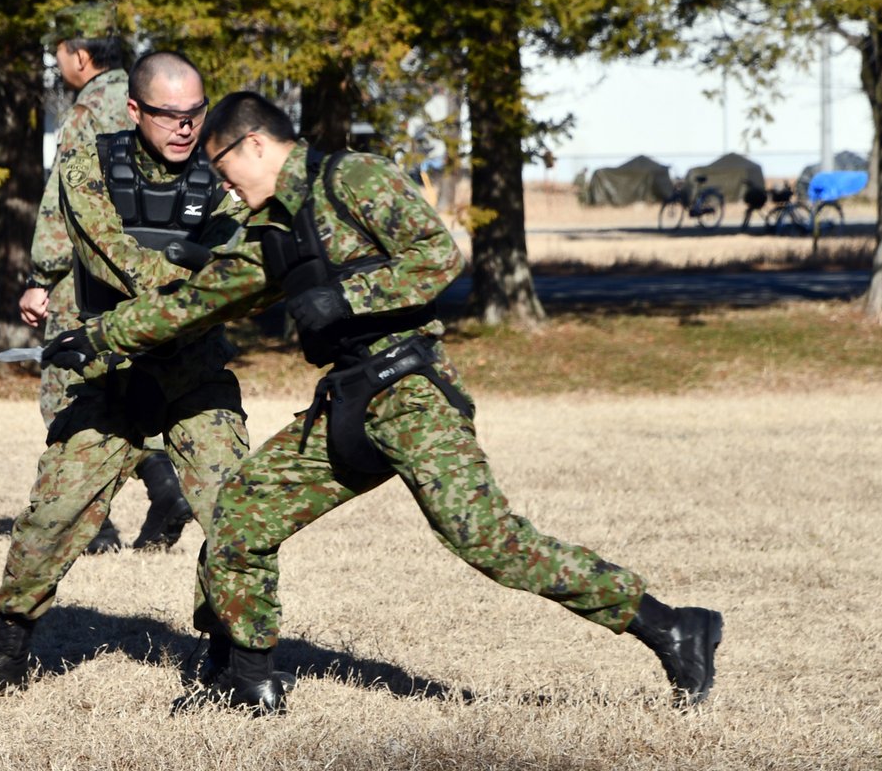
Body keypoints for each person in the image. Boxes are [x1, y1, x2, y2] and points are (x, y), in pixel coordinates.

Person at [45, 91, 724, 715]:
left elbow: (438, 256)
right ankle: (247, 679)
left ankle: (673, 626)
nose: (222, 186)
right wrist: (96, 337)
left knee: (488, 541)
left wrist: (347, 297)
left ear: (253, 144)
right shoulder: (270, 231)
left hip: (410, 391)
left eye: (222, 169)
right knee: (243, 511)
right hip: (344, 399)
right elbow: (196, 303)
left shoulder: (354, 178)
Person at [0, 41, 251, 702]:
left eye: (195, 112)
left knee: (238, 515)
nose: (185, 127)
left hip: (194, 376)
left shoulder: (230, 170)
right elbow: (120, 262)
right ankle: (8, 651)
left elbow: (243, 261)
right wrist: (193, 280)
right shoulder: (92, 163)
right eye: (169, 114)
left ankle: (229, 658)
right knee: (53, 514)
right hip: (111, 376)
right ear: (135, 108)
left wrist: (213, 280)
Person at [17, 2, 190, 555]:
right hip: (150, 269)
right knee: (130, 382)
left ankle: (85, 523)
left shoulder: (89, 109)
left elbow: (62, 199)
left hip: (87, 273)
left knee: (67, 393)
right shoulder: (154, 103)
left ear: (81, 55)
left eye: (60, 54)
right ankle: (165, 487)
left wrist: (42, 275)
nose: (58, 64)